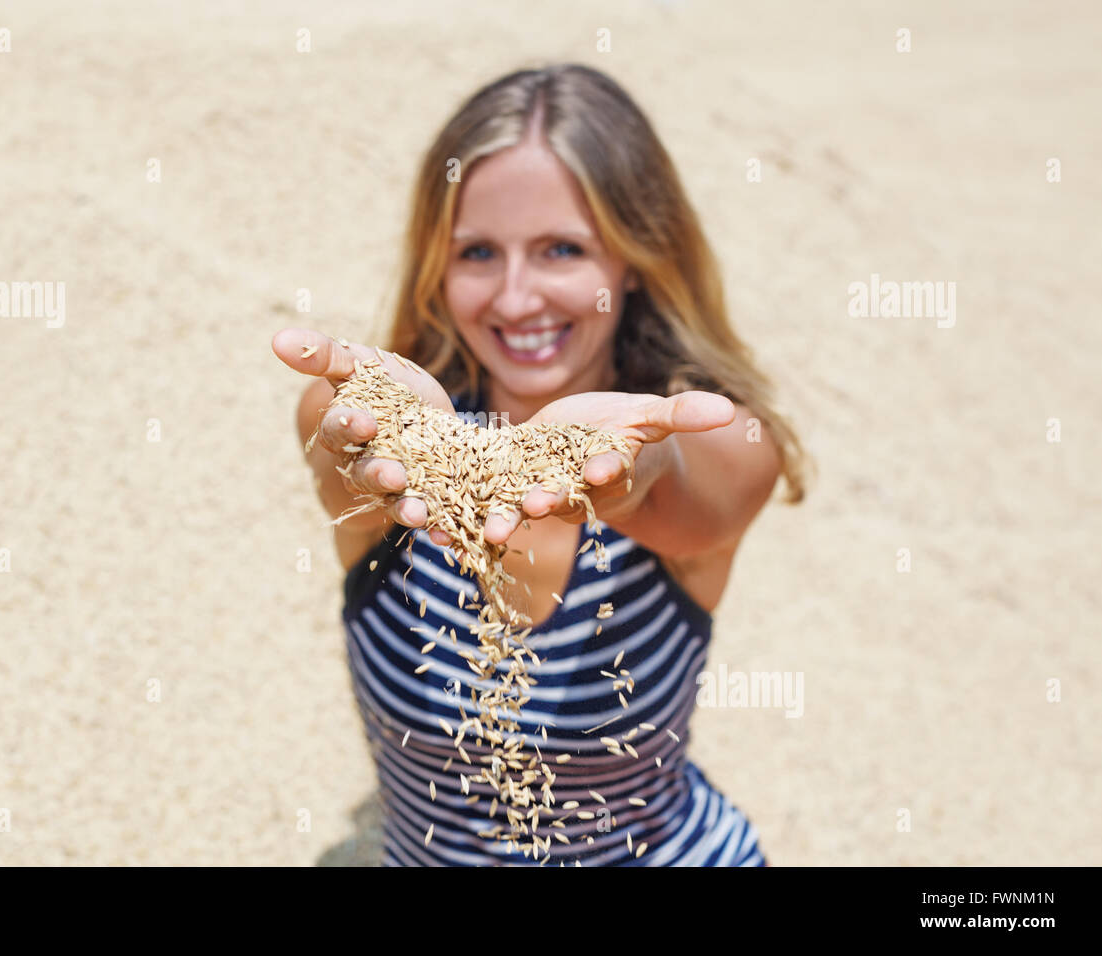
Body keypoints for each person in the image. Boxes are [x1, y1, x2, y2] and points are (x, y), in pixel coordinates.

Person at [272, 63, 809, 865]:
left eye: (562, 249)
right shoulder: (399, 455)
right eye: (479, 252)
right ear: (437, 268)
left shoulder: (697, 437)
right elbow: (329, 424)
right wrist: (383, 419)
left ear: (634, 257)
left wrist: (630, 470)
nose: (517, 299)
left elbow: (699, 476)